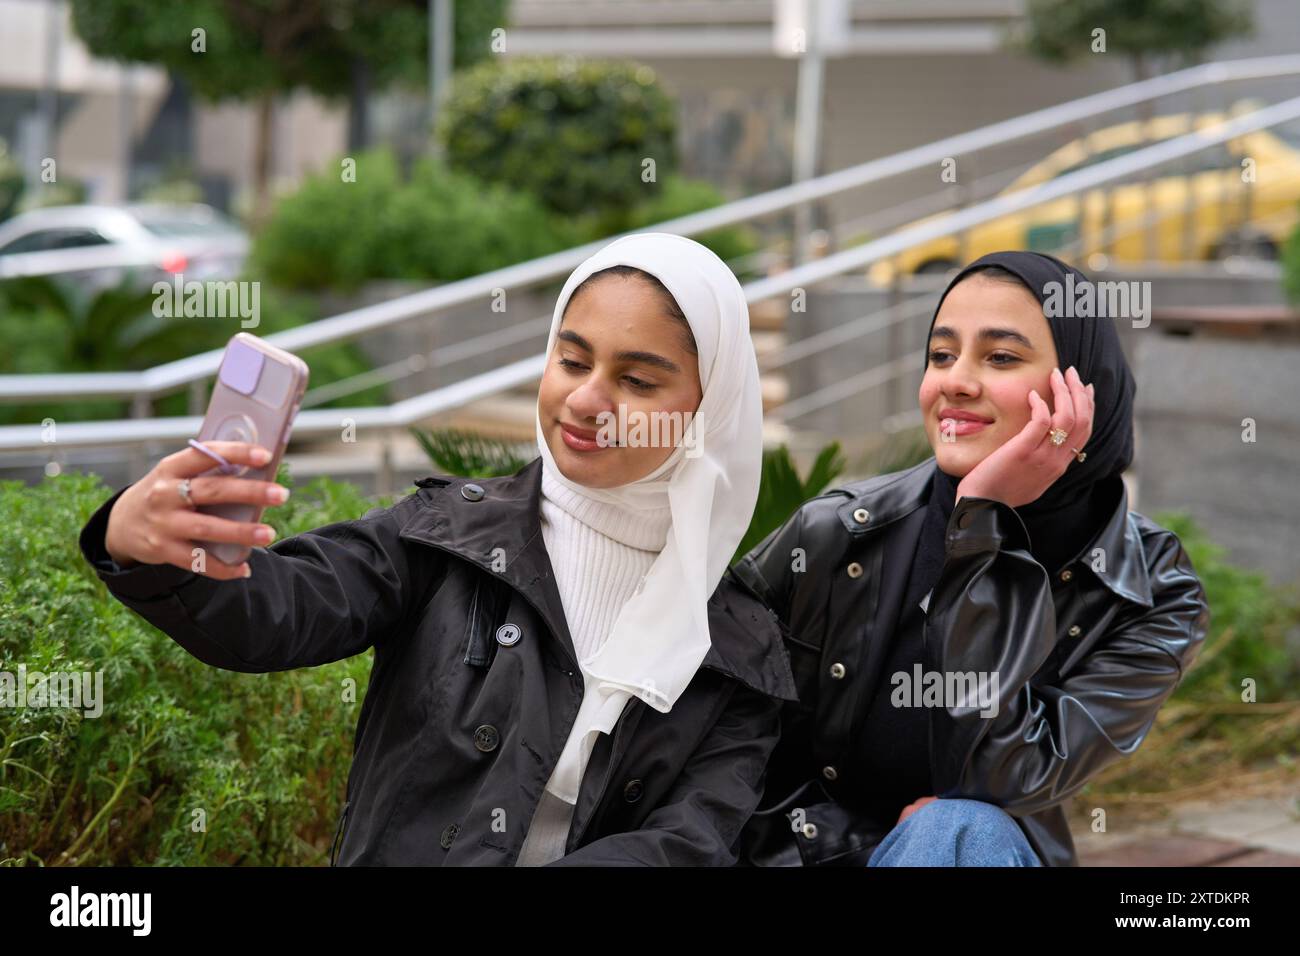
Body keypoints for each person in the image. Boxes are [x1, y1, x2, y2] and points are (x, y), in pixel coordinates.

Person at [79, 233, 796, 866]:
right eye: (572, 361)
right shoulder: (446, 537)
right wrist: (153, 546)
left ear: (713, 407)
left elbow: (686, 843)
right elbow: (275, 610)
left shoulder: (736, 649)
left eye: (637, 380)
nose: (585, 400)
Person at [734, 251, 1208, 867]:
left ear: (1084, 387)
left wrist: (981, 529)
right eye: (941, 355)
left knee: (962, 829)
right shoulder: (833, 534)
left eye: (1001, 357)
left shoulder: (1150, 588)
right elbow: (714, 738)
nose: (954, 381)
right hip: (800, 859)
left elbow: (1004, 777)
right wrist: (866, 848)